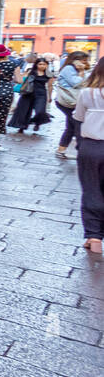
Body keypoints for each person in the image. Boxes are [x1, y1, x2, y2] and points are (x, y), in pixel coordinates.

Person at [73, 58, 104, 253]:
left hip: (91, 147)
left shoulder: (87, 94)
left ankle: (94, 236)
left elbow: (78, 118)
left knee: (91, 189)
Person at [54, 51, 90, 157]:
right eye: (84, 60)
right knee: (77, 125)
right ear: (76, 60)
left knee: (71, 126)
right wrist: (81, 72)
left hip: (73, 101)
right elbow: (76, 83)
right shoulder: (68, 68)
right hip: (67, 101)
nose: (85, 62)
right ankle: (82, 152)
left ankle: (61, 150)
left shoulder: (75, 69)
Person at [8, 57, 53, 133]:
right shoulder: (31, 72)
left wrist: (50, 96)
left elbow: (50, 86)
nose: (42, 66)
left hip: (41, 94)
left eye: (44, 64)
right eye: (40, 64)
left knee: (40, 111)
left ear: (47, 65)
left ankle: (37, 123)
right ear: (36, 64)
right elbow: (22, 79)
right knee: (23, 111)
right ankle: (21, 126)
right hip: (28, 93)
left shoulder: (49, 74)